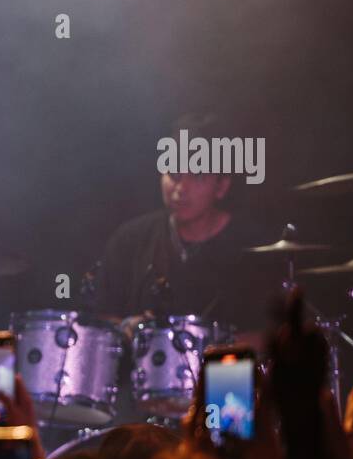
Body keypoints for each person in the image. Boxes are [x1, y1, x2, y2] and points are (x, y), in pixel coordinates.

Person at [90, 115, 268, 333]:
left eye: (197, 176)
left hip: (226, 366)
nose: (181, 187)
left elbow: (267, 336)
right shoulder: (131, 239)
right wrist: (130, 328)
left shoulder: (252, 248)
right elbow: (98, 320)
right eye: (174, 174)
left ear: (221, 186)